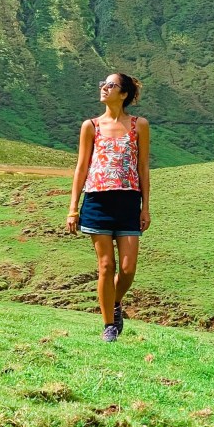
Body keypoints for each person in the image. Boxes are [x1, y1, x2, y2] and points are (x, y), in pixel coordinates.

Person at [66, 73, 150, 342]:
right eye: (102, 83)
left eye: (111, 85)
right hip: (98, 201)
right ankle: (109, 326)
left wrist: (145, 207)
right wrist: (73, 208)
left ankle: (113, 301)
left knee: (127, 268)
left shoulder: (139, 125)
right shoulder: (90, 126)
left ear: (123, 94)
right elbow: (81, 167)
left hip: (128, 202)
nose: (104, 87)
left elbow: (143, 167)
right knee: (105, 266)